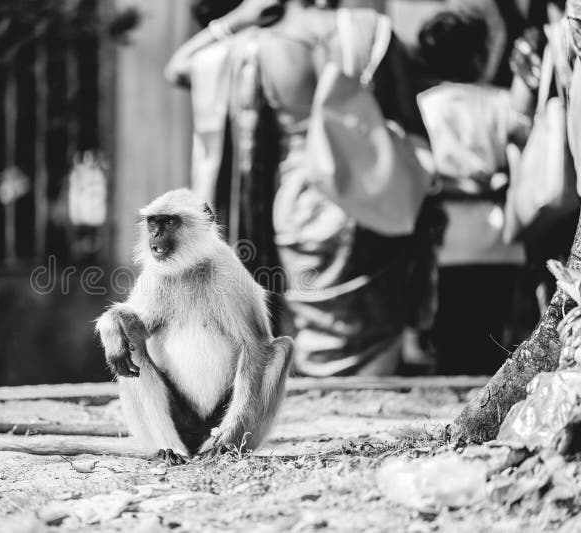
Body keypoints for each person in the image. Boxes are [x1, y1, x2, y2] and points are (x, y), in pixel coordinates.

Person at [165, 0, 427, 376]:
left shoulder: (254, 43)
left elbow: (178, 68)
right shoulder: (370, 32)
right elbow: (413, 129)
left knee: (307, 330)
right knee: (375, 325)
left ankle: (319, 395)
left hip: (297, 204)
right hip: (370, 194)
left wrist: (235, 20)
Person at [415, 10, 544, 375]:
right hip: (499, 239)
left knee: (450, 337)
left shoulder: (425, 104)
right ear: (479, 55)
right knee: (493, 340)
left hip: (446, 242)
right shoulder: (503, 102)